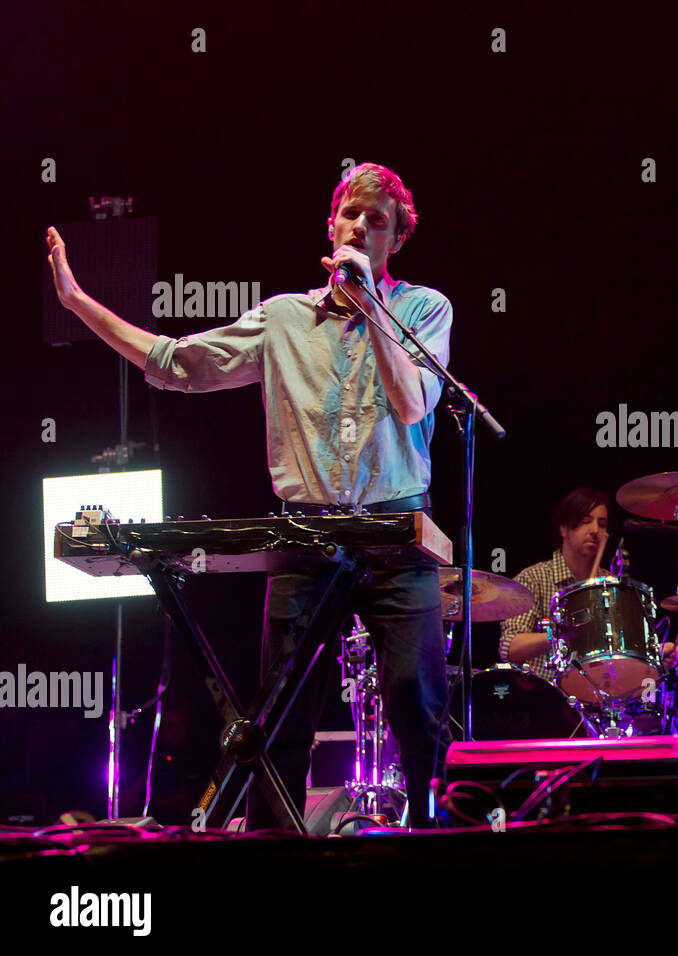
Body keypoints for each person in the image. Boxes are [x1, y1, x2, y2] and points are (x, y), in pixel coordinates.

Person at [47, 162, 453, 828]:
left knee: (417, 699)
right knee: (281, 718)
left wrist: (371, 304)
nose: (360, 227)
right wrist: (77, 304)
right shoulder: (283, 319)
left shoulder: (422, 309)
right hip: (307, 535)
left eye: (376, 221)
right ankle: (273, 856)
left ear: (395, 241)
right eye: (352, 214)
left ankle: (439, 844)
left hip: (397, 532)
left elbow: (412, 405)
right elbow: (177, 365)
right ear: (331, 225)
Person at [499, 487, 676, 683]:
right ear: (564, 528)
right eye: (586, 522)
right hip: (543, 699)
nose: (594, 531)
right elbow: (509, 647)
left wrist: (655, 655)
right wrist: (561, 633)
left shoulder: (609, 584)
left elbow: (619, 652)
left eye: (602, 524)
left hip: (596, 699)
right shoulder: (534, 578)